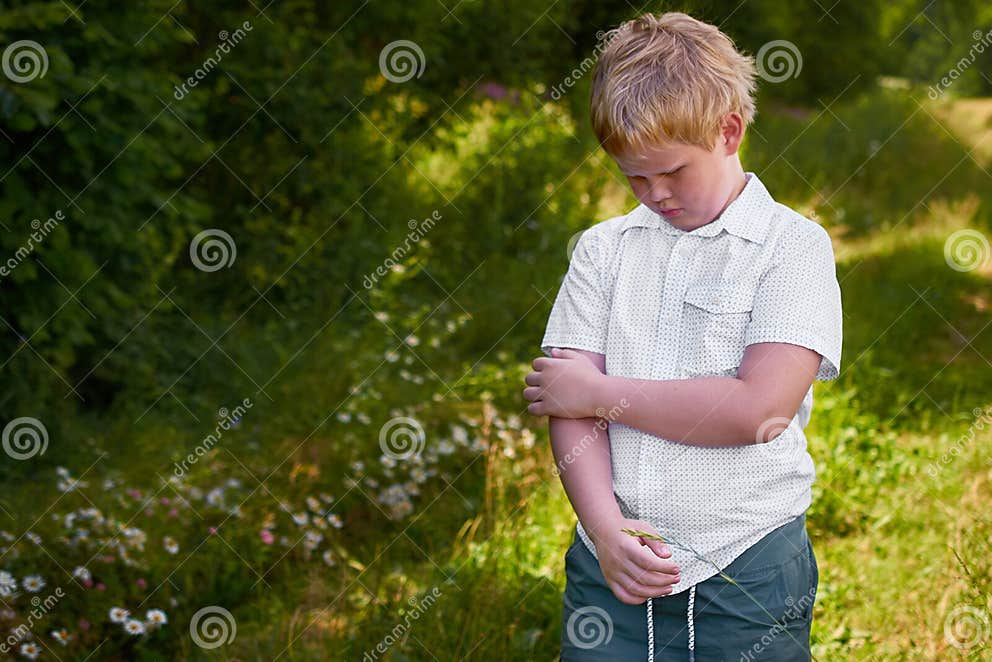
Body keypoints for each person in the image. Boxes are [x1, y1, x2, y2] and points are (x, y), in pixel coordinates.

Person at [523, 11, 843, 661]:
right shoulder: (602, 251)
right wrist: (604, 530)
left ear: (729, 131)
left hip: (747, 565)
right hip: (611, 563)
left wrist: (597, 392)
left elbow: (759, 410)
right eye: (634, 177)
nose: (655, 193)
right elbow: (565, 405)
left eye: (672, 171)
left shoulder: (792, 248)